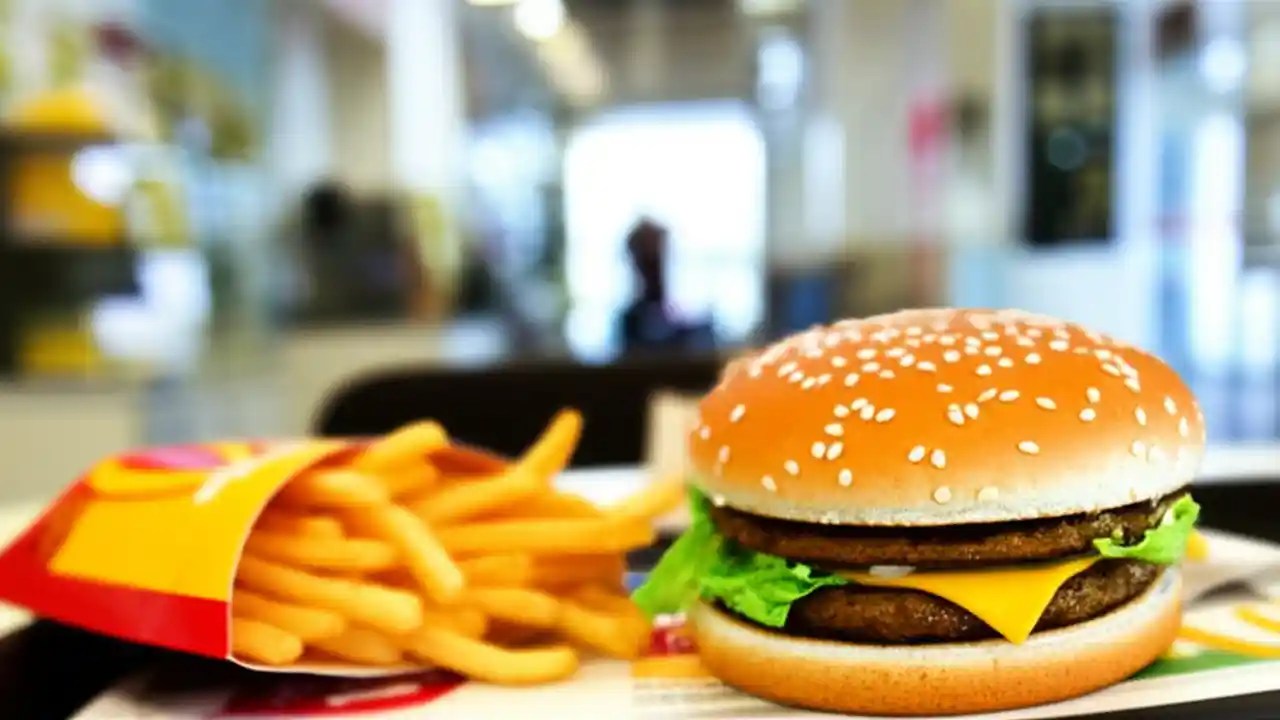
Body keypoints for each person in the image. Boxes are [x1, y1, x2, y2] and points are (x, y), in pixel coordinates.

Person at [618, 218, 713, 354]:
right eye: (648, 259)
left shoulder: (690, 316)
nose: (655, 268)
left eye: (659, 256)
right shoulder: (630, 321)